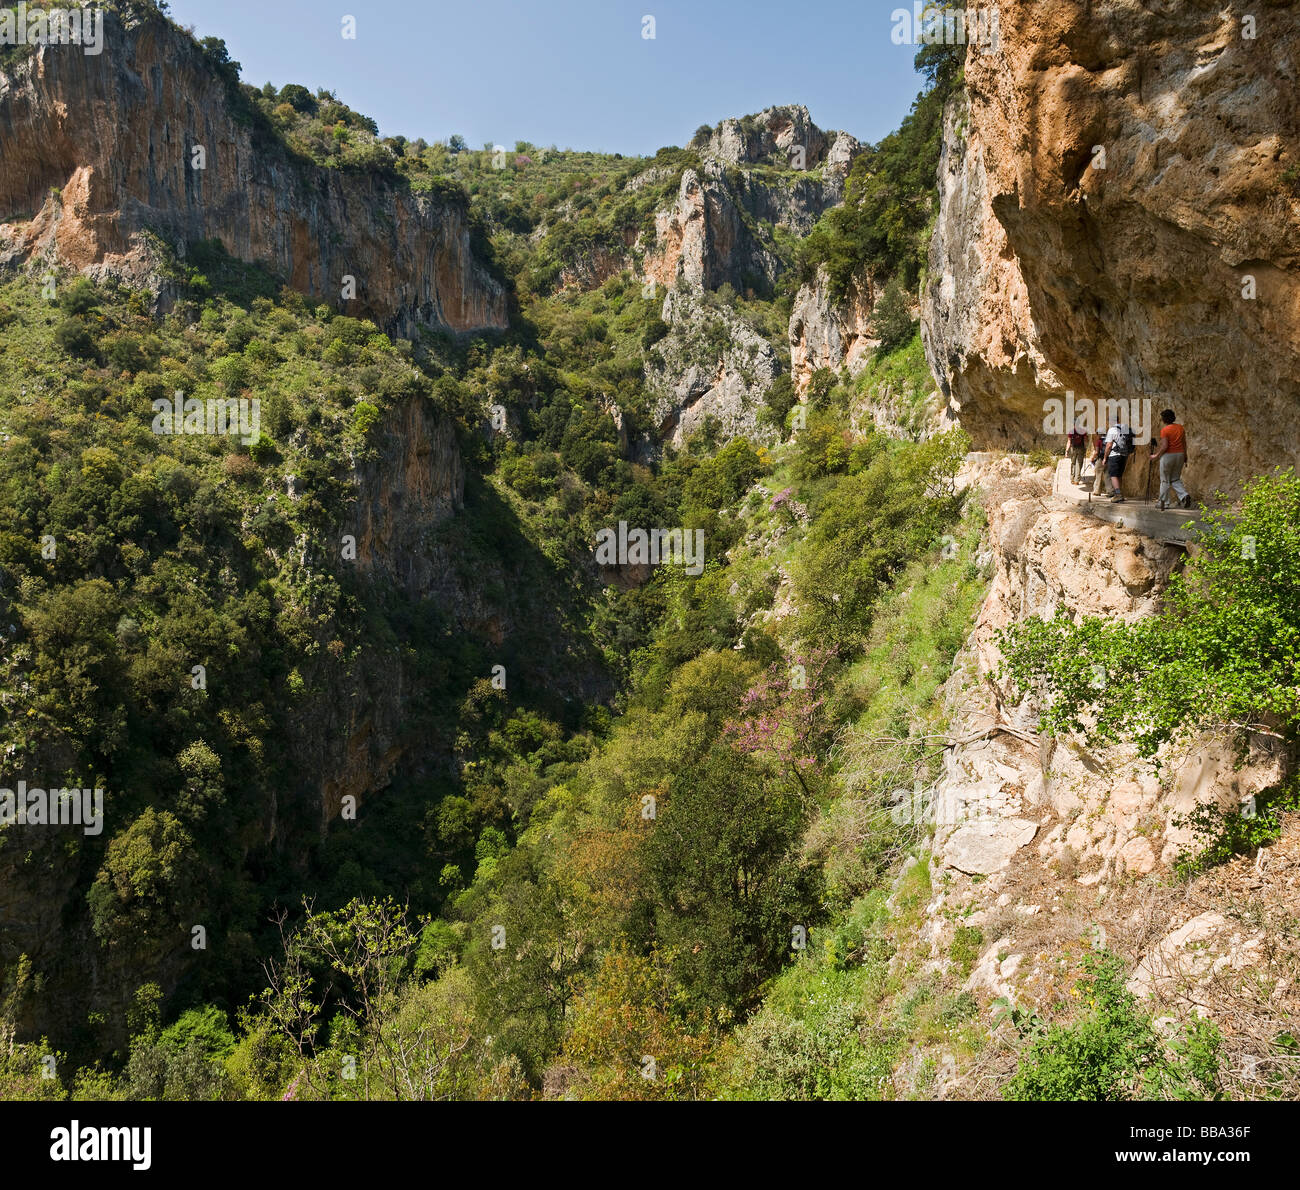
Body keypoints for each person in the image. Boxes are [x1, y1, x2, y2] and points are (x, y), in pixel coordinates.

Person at [1150, 408, 1191, 510]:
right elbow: (1184, 443)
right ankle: (1184, 496)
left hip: (1168, 456)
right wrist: (1185, 455)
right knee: (1175, 479)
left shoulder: (1165, 430)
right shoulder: (1180, 428)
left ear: (1164, 419)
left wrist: (1156, 455)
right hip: (1180, 455)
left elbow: (1165, 446)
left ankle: (1163, 503)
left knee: (1165, 480)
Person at [1102, 419, 1135, 502]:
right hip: (1124, 455)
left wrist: (1105, 457)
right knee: (1119, 475)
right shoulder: (1125, 427)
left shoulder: (1112, 430)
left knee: (1113, 475)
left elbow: (1109, 445)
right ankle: (1120, 493)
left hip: (1114, 455)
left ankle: (1118, 494)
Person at [1090, 429, 1107, 496]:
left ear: (1099, 434)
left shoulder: (1099, 441)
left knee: (1098, 474)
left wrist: (1092, 458)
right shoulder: (1109, 440)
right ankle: (1110, 491)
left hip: (1100, 459)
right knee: (1107, 475)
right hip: (1108, 459)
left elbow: (1096, 452)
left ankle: (1097, 491)